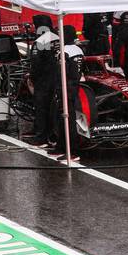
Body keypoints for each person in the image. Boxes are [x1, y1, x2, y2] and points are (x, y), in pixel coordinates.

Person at [51, 24, 84, 163]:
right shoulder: (79, 50)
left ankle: (72, 151)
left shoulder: (63, 51)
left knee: (66, 119)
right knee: (65, 118)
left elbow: (60, 72)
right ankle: (61, 147)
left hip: (65, 88)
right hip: (75, 87)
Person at [24, 15, 57, 146]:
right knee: (53, 108)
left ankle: (40, 137)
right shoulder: (57, 37)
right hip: (58, 78)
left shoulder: (42, 40)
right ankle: (51, 134)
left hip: (44, 80)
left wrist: (31, 77)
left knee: (41, 107)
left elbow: (36, 63)